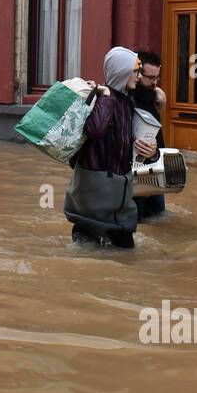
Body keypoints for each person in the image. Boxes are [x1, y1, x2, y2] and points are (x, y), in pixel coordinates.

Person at [65, 47, 158, 249]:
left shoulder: (128, 102)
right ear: (121, 72)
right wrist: (105, 96)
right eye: (135, 71)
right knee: (87, 255)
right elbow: (96, 131)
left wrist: (152, 152)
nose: (138, 76)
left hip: (119, 197)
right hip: (94, 195)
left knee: (126, 252)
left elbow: (134, 141)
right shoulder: (100, 98)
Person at [131, 50, 168, 221]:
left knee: (159, 219)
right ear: (137, 73)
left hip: (156, 165)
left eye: (157, 78)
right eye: (151, 78)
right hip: (135, 172)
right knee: (138, 221)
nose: (155, 83)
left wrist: (161, 101)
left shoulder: (154, 95)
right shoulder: (126, 97)